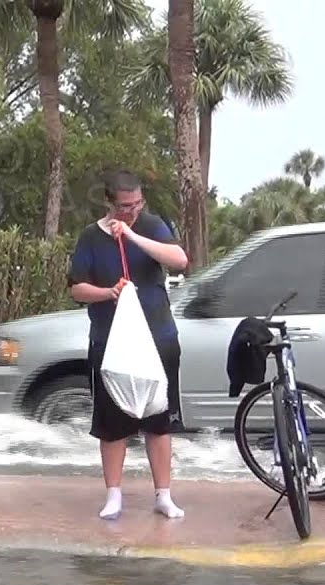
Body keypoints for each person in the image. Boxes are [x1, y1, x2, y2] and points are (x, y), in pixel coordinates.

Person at [66, 170, 190, 520]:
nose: (131, 210)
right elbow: (77, 289)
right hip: (110, 343)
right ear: (109, 202)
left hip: (158, 337)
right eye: (124, 207)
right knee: (113, 421)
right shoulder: (90, 237)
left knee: (159, 419)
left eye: (137, 204)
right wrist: (108, 293)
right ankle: (113, 495)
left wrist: (132, 236)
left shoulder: (151, 225)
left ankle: (164, 495)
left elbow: (179, 260)